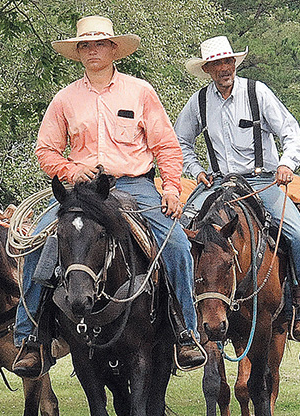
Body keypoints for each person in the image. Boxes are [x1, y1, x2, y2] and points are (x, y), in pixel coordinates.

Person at [12, 15, 207, 377]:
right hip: (82, 191)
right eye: (85, 45)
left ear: (113, 49)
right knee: (36, 243)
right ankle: (30, 340)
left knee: (177, 244)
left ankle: (186, 333)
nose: (93, 50)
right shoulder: (65, 99)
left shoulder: (140, 91)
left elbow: (166, 145)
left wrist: (170, 187)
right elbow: (46, 150)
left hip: (134, 184)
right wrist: (70, 170)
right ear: (79, 53)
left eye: (99, 44)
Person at [174, 36, 300, 342]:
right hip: (217, 182)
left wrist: (287, 164)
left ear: (234, 64)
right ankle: (183, 317)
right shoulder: (199, 101)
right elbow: (180, 142)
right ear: (208, 69)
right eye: (217, 64)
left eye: (228, 62)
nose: (224, 69)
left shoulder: (257, 92)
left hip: (260, 181)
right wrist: (196, 170)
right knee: (179, 234)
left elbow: (290, 132)